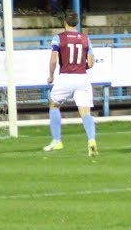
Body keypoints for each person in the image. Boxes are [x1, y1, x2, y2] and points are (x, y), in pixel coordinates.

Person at [42, 10, 99, 156]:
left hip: (66, 77)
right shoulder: (86, 39)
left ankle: (57, 141)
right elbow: (91, 63)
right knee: (85, 112)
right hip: (82, 78)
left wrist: (51, 75)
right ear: (77, 23)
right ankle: (91, 140)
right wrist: (79, 66)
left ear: (64, 22)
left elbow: (53, 60)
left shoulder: (58, 38)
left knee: (54, 105)